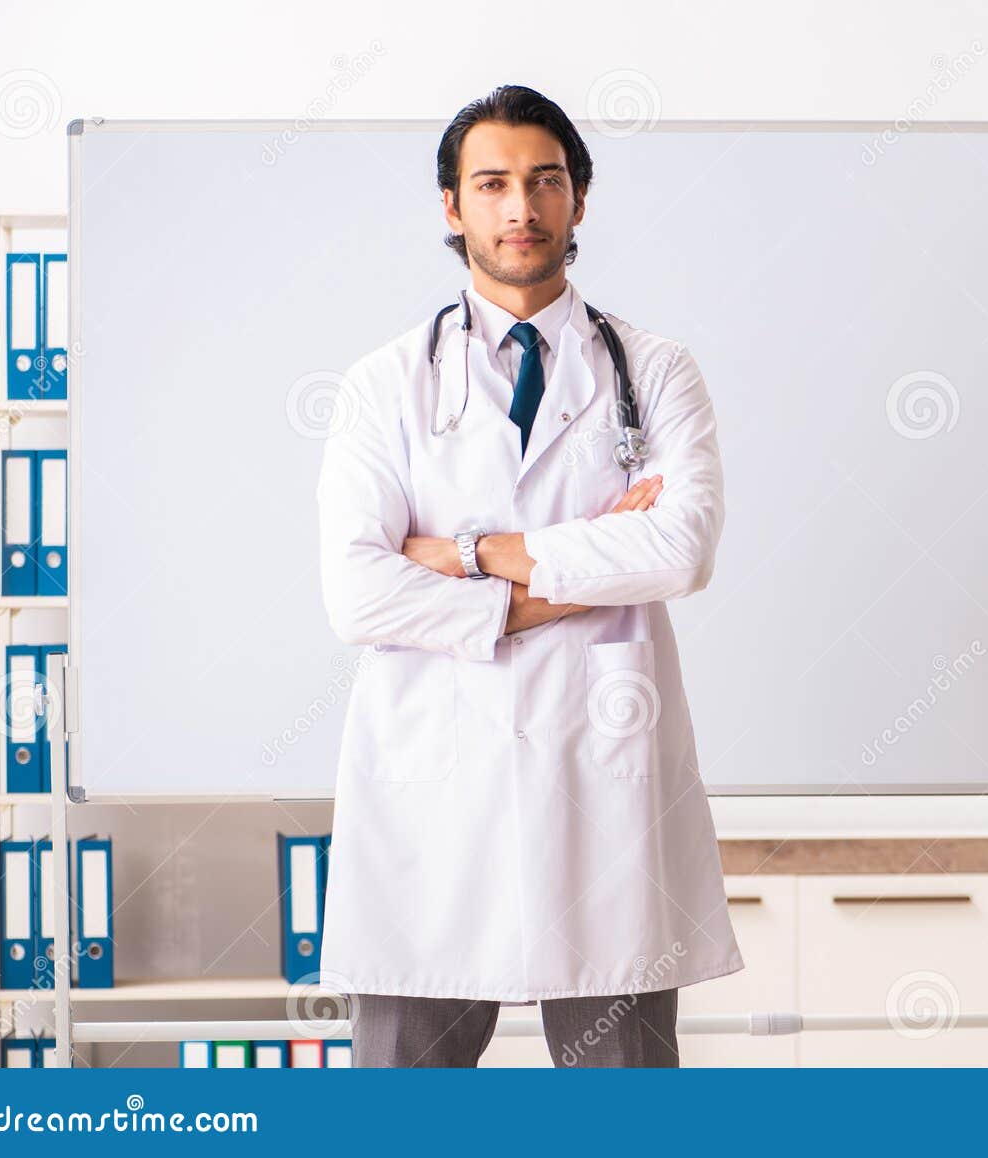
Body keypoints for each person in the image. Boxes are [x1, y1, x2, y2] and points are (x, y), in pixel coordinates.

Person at [313, 84, 743, 1068]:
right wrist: (594, 559)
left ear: (579, 198)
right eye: (493, 184)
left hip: (604, 791)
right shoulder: (385, 385)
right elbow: (359, 593)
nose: (521, 207)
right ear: (452, 204)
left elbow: (679, 551)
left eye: (545, 181)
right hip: (431, 798)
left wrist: (467, 553)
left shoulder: (655, 371)